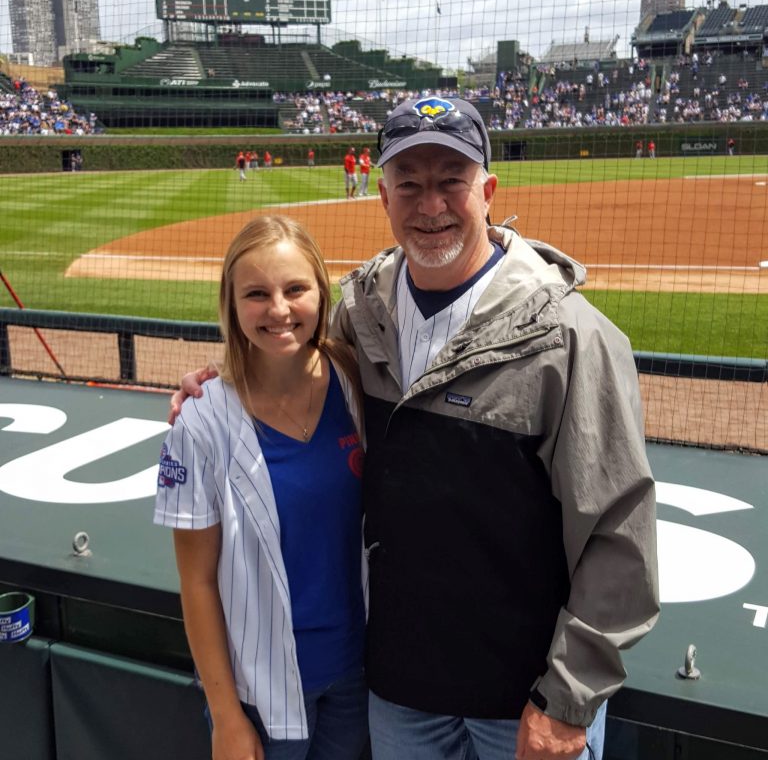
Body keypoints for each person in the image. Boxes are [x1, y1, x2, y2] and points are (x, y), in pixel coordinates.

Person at [171, 96, 659, 760]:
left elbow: (618, 532)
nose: (431, 204)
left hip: (523, 701)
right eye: (410, 184)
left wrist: (569, 698)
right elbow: (286, 351)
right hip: (400, 692)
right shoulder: (360, 319)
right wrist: (215, 384)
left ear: (487, 190)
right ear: (385, 199)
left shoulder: (571, 337)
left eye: (451, 182)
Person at [156, 215, 369, 760]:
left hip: (359, 677)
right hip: (259, 695)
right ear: (231, 304)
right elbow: (197, 583)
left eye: (295, 288)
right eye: (256, 294)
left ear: (322, 293)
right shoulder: (201, 422)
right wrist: (226, 718)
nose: (278, 309)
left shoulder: (355, 380)